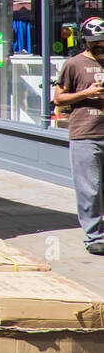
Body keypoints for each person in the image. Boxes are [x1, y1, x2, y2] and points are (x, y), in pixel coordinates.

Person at [53, 17, 104, 255]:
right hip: (85, 133)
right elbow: (59, 99)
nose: (100, 45)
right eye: (95, 41)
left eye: (102, 40)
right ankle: (95, 235)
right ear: (86, 40)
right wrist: (87, 93)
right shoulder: (73, 64)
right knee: (90, 188)